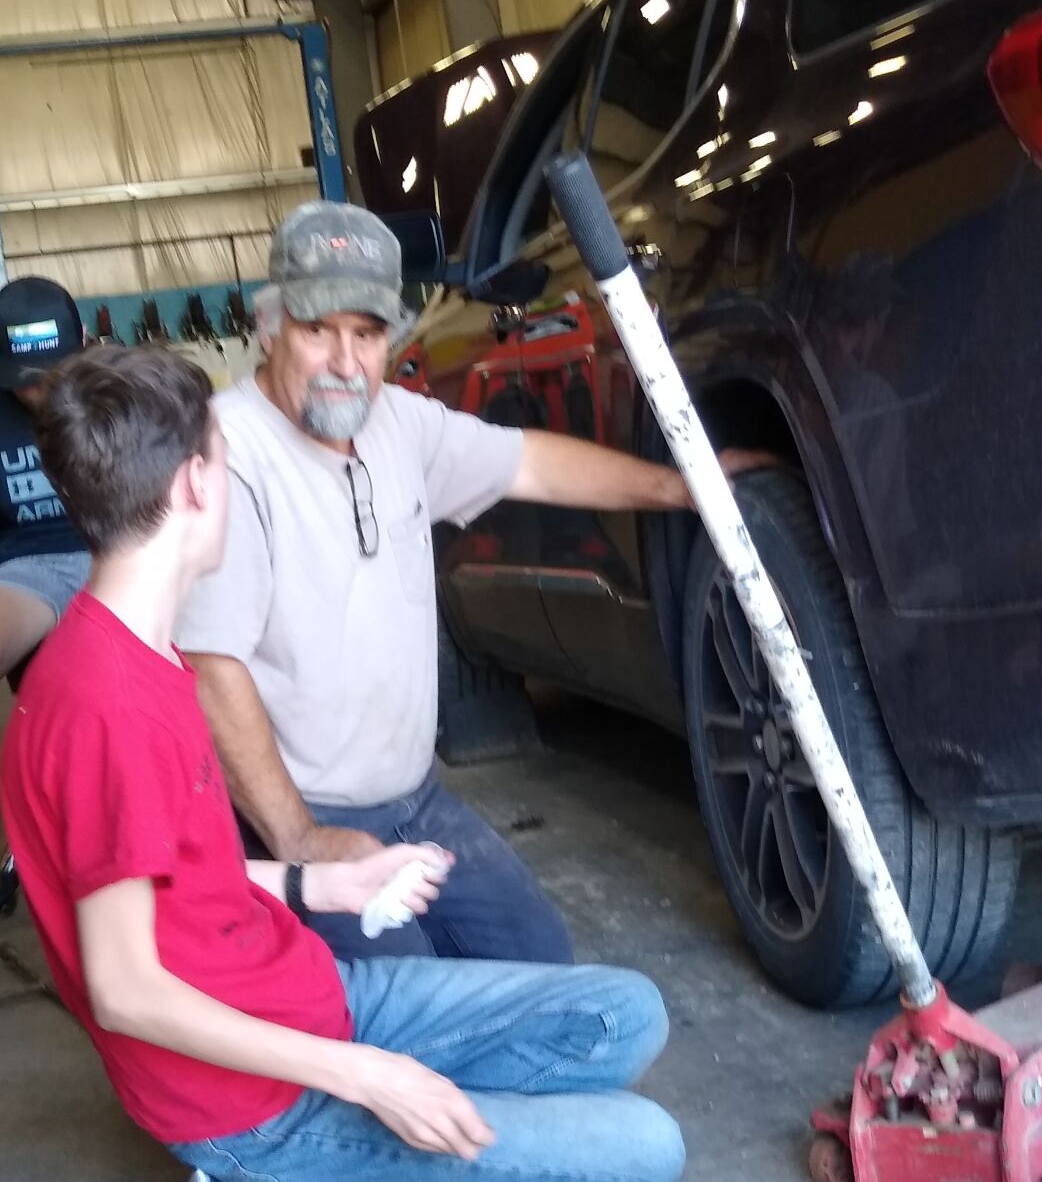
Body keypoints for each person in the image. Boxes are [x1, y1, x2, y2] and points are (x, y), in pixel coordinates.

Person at [1, 346, 684, 1182]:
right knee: (645, 1148)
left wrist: (318, 881)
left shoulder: (140, 651)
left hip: (298, 994)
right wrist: (367, 1076)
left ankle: (347, 1155)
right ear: (197, 483)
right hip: (246, 1102)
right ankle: (265, 1175)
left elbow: (174, 880)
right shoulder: (103, 707)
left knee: (624, 1012)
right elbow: (125, 988)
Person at [177, 200, 769, 968]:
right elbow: (212, 670)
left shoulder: (398, 422)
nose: (344, 360)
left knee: (542, 969)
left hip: (415, 798)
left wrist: (677, 486)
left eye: (366, 333)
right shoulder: (231, 452)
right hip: (294, 814)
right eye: (317, 330)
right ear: (269, 325)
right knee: (410, 1004)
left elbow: (528, 461)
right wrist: (300, 840)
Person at [0, 277, 89, 678]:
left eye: (53, 373)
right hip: (28, 568)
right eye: (25, 381)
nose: (38, 393)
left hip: (119, 552)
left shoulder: (116, 395)